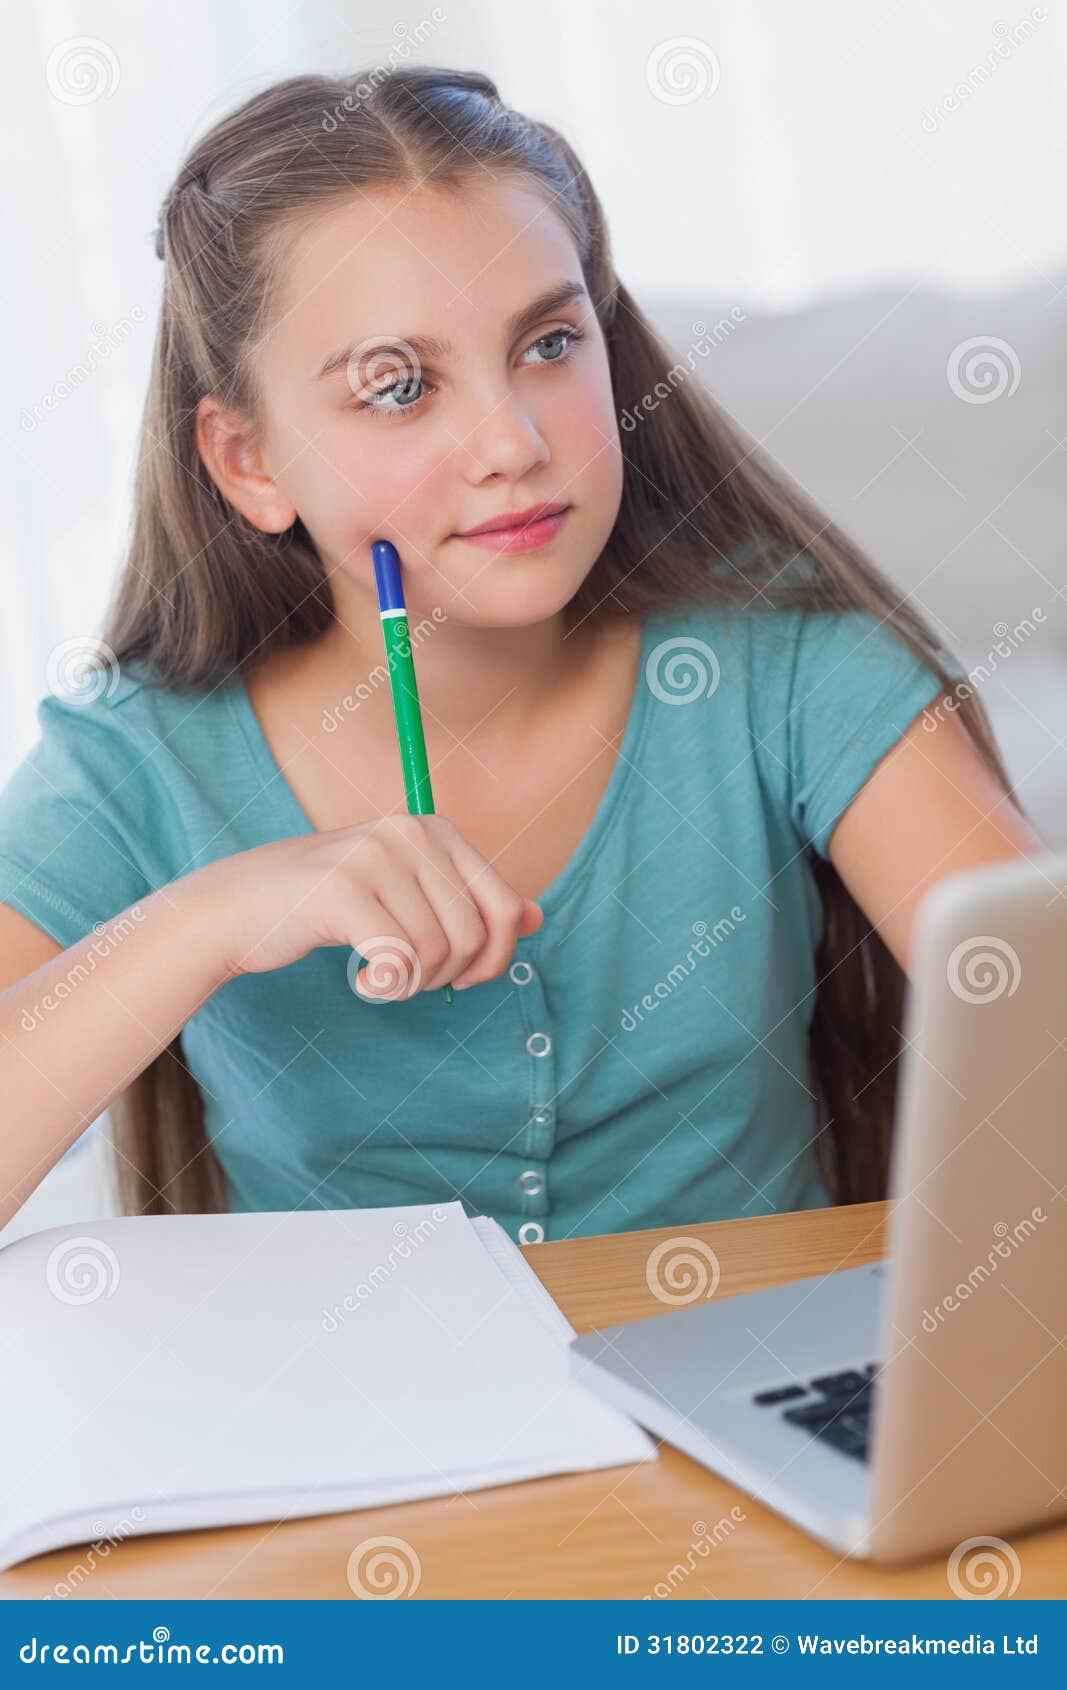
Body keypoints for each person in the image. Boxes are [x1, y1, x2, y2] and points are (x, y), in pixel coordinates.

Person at [0, 68, 1042, 1242]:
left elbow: (1032, 1018)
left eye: (548, 342)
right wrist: (215, 916)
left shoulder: (784, 665)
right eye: (397, 387)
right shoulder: (140, 761)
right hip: (357, 1423)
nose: (512, 441)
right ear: (248, 462)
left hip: (743, 1411)